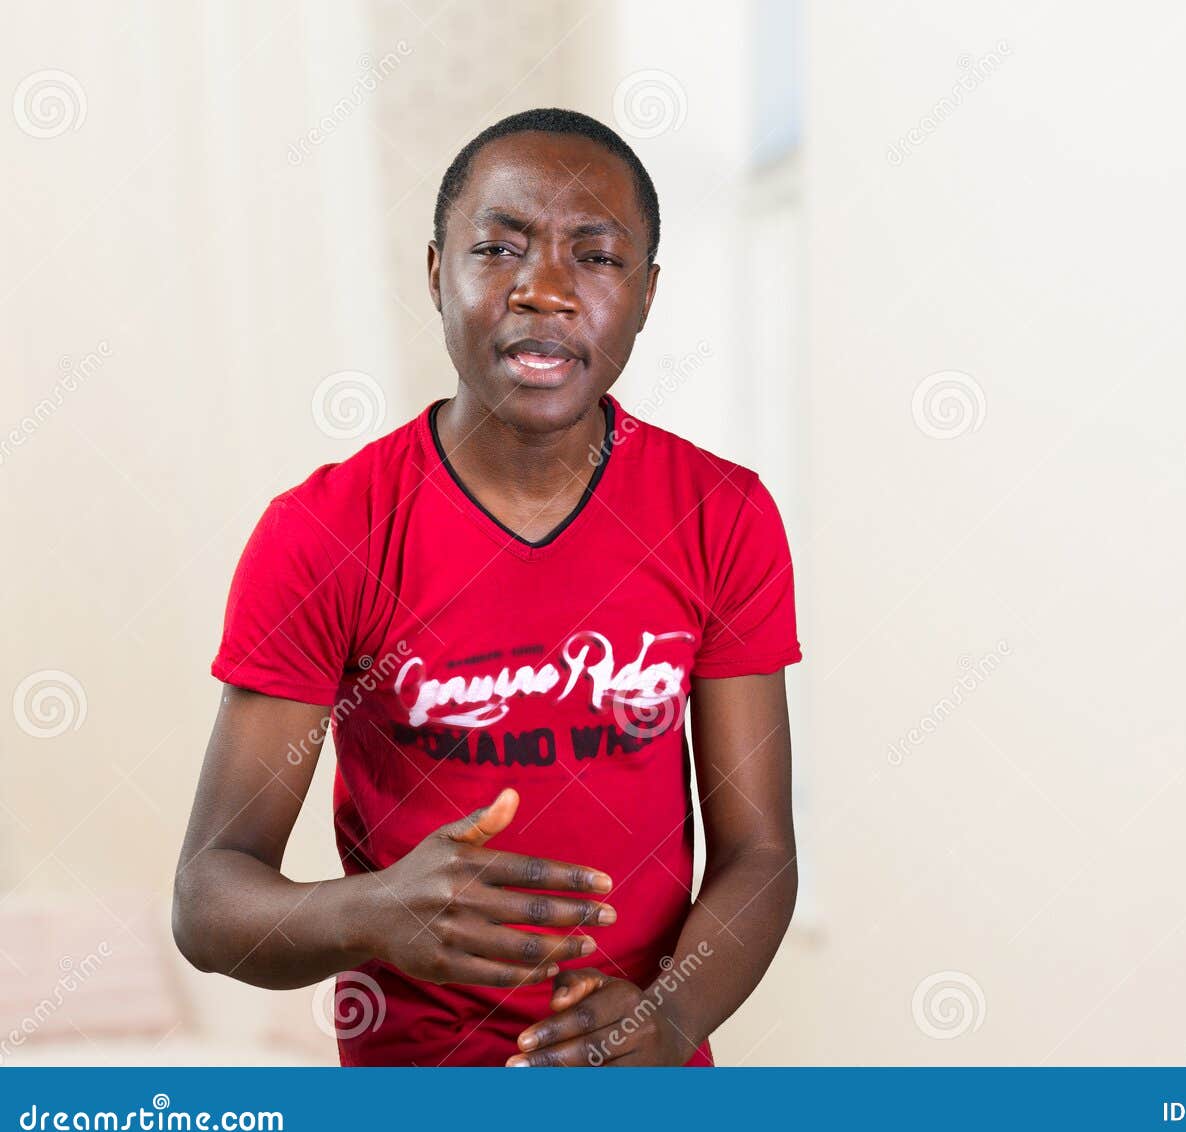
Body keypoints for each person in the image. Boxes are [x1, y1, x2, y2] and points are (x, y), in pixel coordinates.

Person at [171, 108, 802, 1067]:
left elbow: (758, 855)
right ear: (436, 274)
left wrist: (670, 1017)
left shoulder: (721, 514)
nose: (543, 290)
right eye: (499, 247)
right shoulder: (323, 533)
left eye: (596, 257)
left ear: (646, 295)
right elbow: (209, 900)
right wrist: (369, 912)